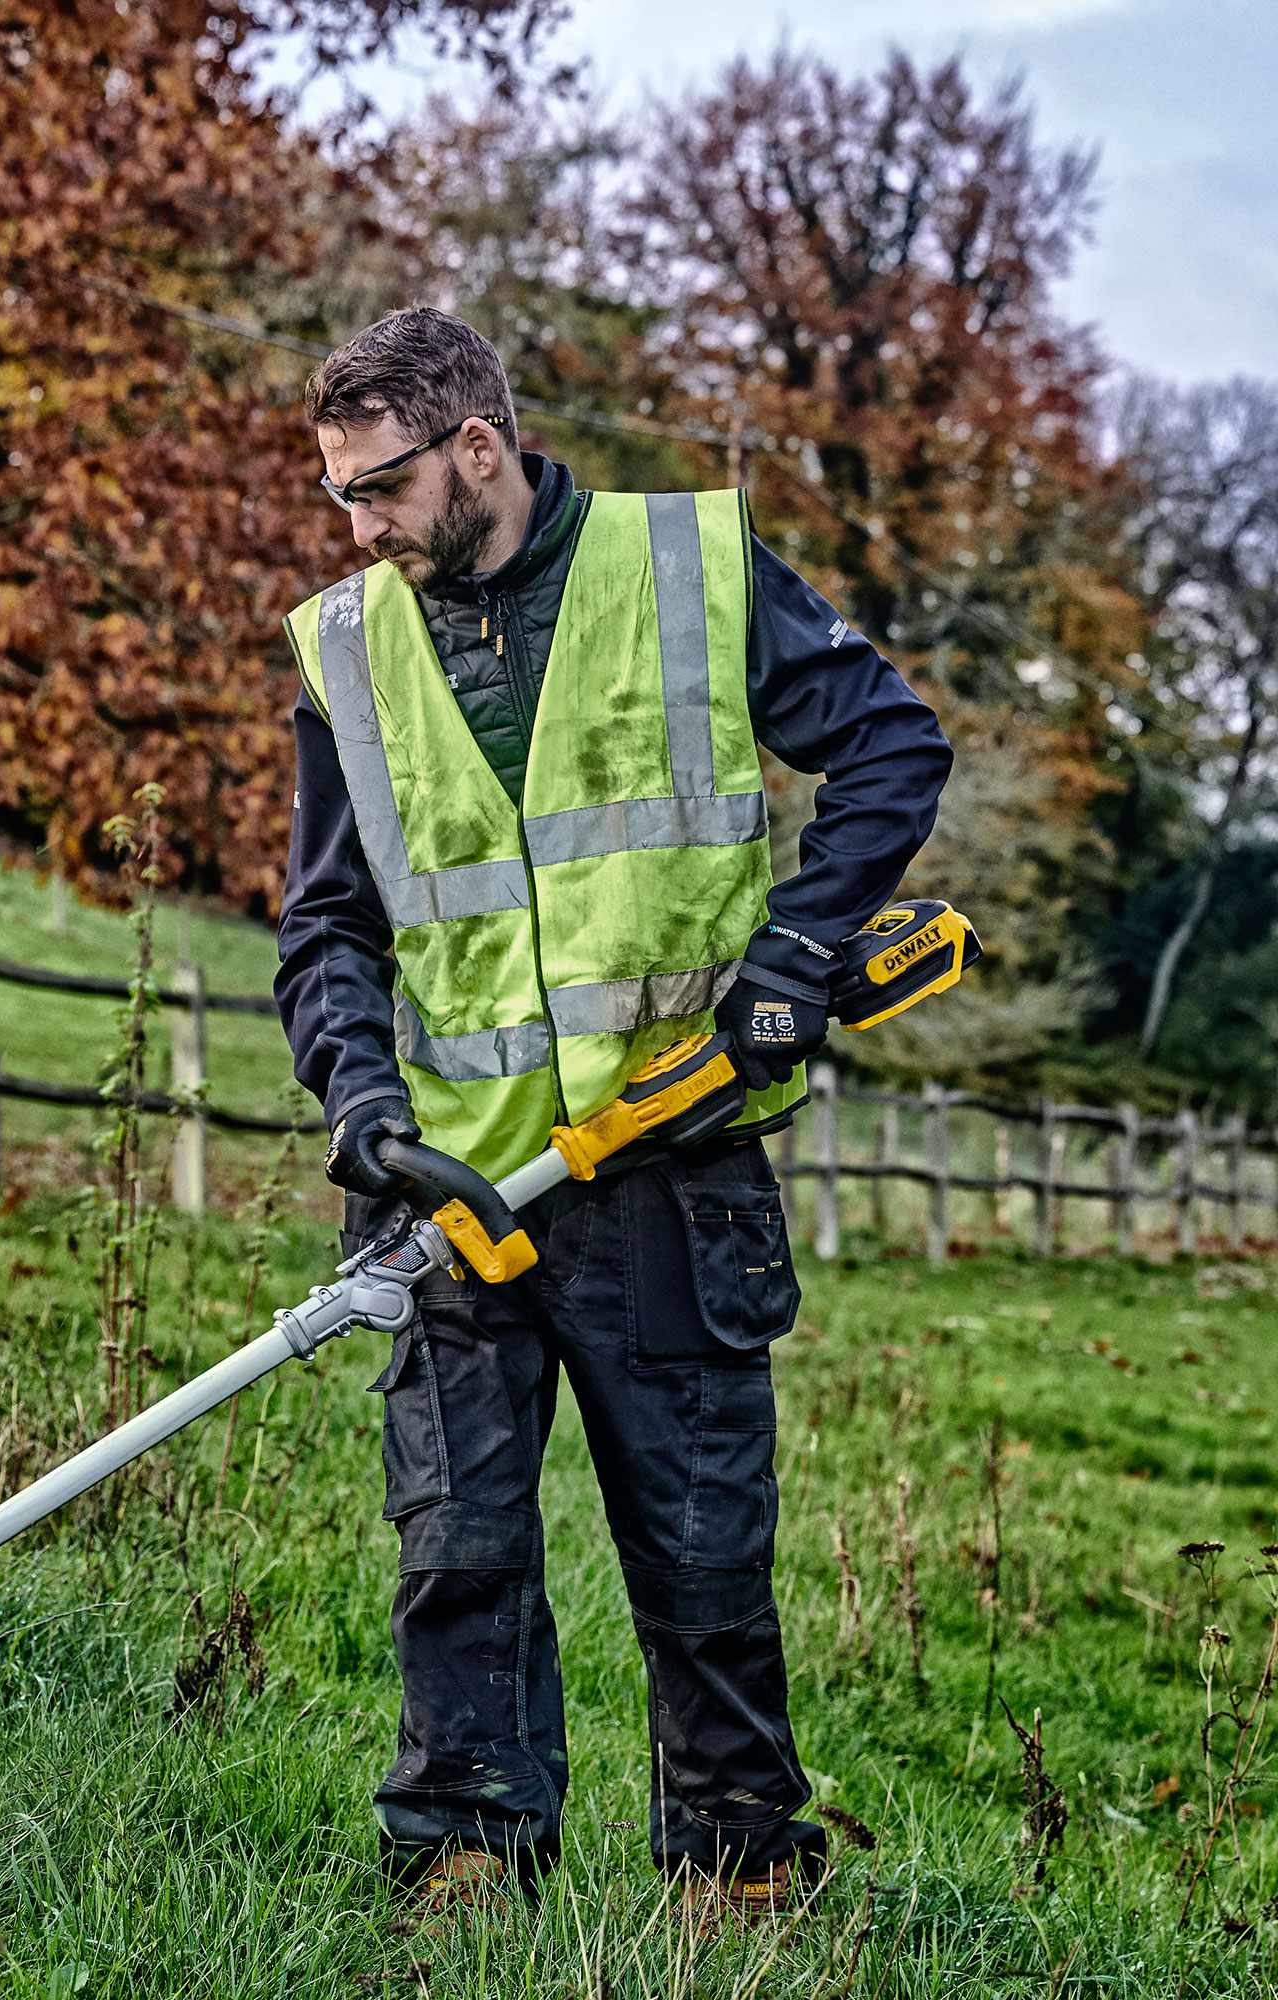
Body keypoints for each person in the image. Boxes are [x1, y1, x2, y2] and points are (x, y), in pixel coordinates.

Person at [272, 307, 953, 1921]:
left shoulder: (687, 571)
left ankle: (735, 1866)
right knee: (459, 1547)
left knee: (704, 1546)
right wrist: (365, 1109)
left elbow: (890, 745)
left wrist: (793, 955)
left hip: (670, 1165)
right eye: (341, 499)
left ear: (478, 450)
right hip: (453, 1183)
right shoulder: (348, 646)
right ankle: (466, 1856)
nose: (359, 528)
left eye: (378, 489)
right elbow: (328, 924)